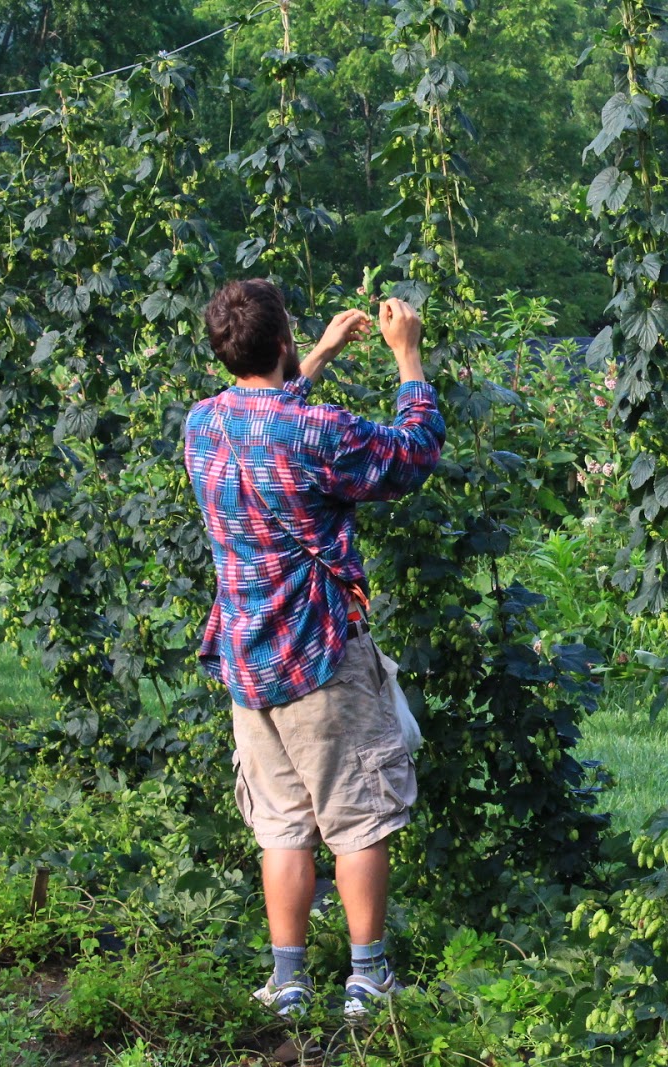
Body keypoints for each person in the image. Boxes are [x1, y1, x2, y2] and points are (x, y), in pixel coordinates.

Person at [183, 279, 445, 1021]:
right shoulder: (317, 432)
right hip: (321, 656)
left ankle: (289, 982)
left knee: (282, 825)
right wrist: (408, 358)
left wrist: (321, 352)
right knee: (357, 815)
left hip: (247, 662)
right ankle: (368, 979)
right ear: (281, 340)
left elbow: (268, 417)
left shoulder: (202, 425)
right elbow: (412, 453)